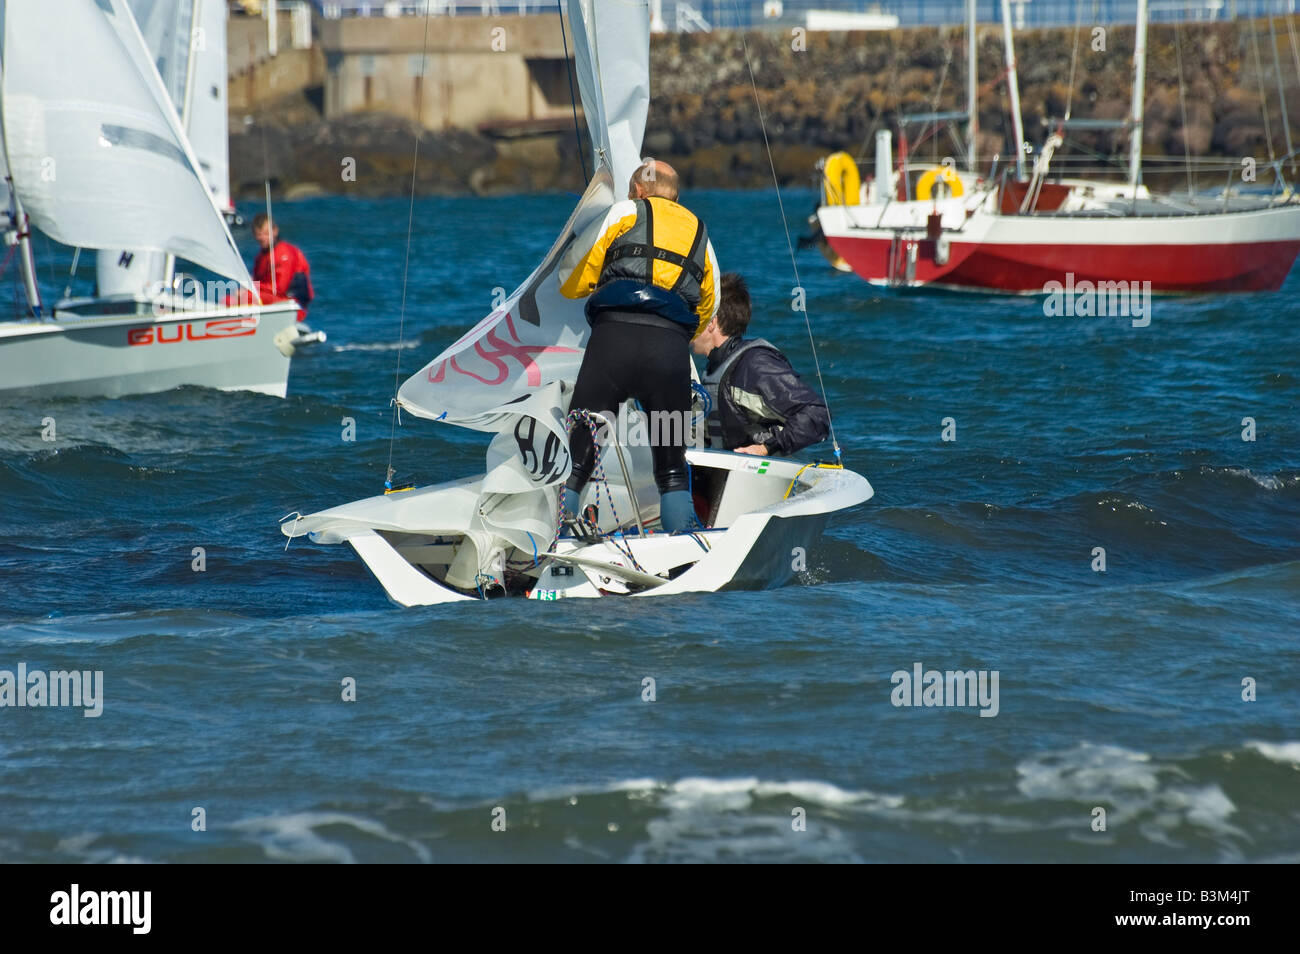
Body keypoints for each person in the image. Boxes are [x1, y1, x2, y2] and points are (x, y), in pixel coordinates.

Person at [558, 159, 720, 534]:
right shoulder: (700, 233)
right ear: (676, 197)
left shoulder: (624, 211)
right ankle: (680, 550)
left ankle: (562, 534)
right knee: (672, 468)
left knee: (580, 455)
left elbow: (570, 279)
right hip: (669, 352)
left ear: (638, 190)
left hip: (613, 343)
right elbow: (709, 305)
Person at [692, 273, 830, 457]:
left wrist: (766, 448)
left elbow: (816, 414)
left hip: (759, 475)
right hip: (722, 472)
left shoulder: (755, 365)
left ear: (711, 322)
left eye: (694, 316)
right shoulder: (712, 371)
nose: (687, 324)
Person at [251, 213, 313, 321]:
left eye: (266, 233)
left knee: (244, 297)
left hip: (291, 306)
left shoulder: (284, 253)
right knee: (232, 297)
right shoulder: (261, 257)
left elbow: (279, 288)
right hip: (273, 302)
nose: (262, 238)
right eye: (259, 234)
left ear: (275, 231)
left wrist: (252, 286)